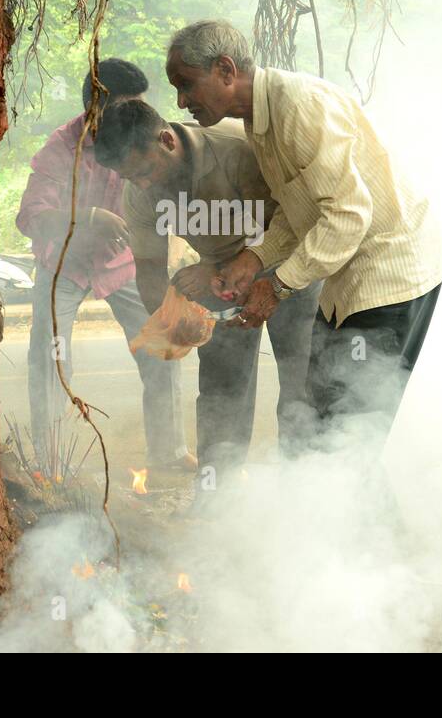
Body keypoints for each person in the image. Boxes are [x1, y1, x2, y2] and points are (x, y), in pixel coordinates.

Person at [164, 19, 442, 456]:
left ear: (224, 70)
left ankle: (358, 526)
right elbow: (301, 211)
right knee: (320, 429)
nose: (181, 101)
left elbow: (348, 215)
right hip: (349, 283)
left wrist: (276, 286)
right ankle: (339, 523)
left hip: (388, 278)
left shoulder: (298, 105)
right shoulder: (260, 122)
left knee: (343, 441)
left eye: (186, 85)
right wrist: (253, 260)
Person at [92, 96, 320, 476]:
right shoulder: (139, 193)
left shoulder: (236, 150)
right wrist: (172, 320)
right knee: (221, 392)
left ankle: (308, 493)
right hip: (219, 282)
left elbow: (288, 220)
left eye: (146, 170)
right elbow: (148, 270)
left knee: (302, 388)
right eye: (132, 177)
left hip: (289, 273)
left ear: (166, 140)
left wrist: (216, 265)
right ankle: (216, 498)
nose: (143, 184)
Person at [15, 59, 194, 472]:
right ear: (96, 109)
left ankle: (168, 454)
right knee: (50, 356)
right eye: (127, 110)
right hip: (64, 265)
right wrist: (90, 217)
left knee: (164, 344)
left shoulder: (146, 137)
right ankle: (51, 463)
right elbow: (31, 215)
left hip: (126, 264)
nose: (138, 120)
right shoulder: (63, 147)